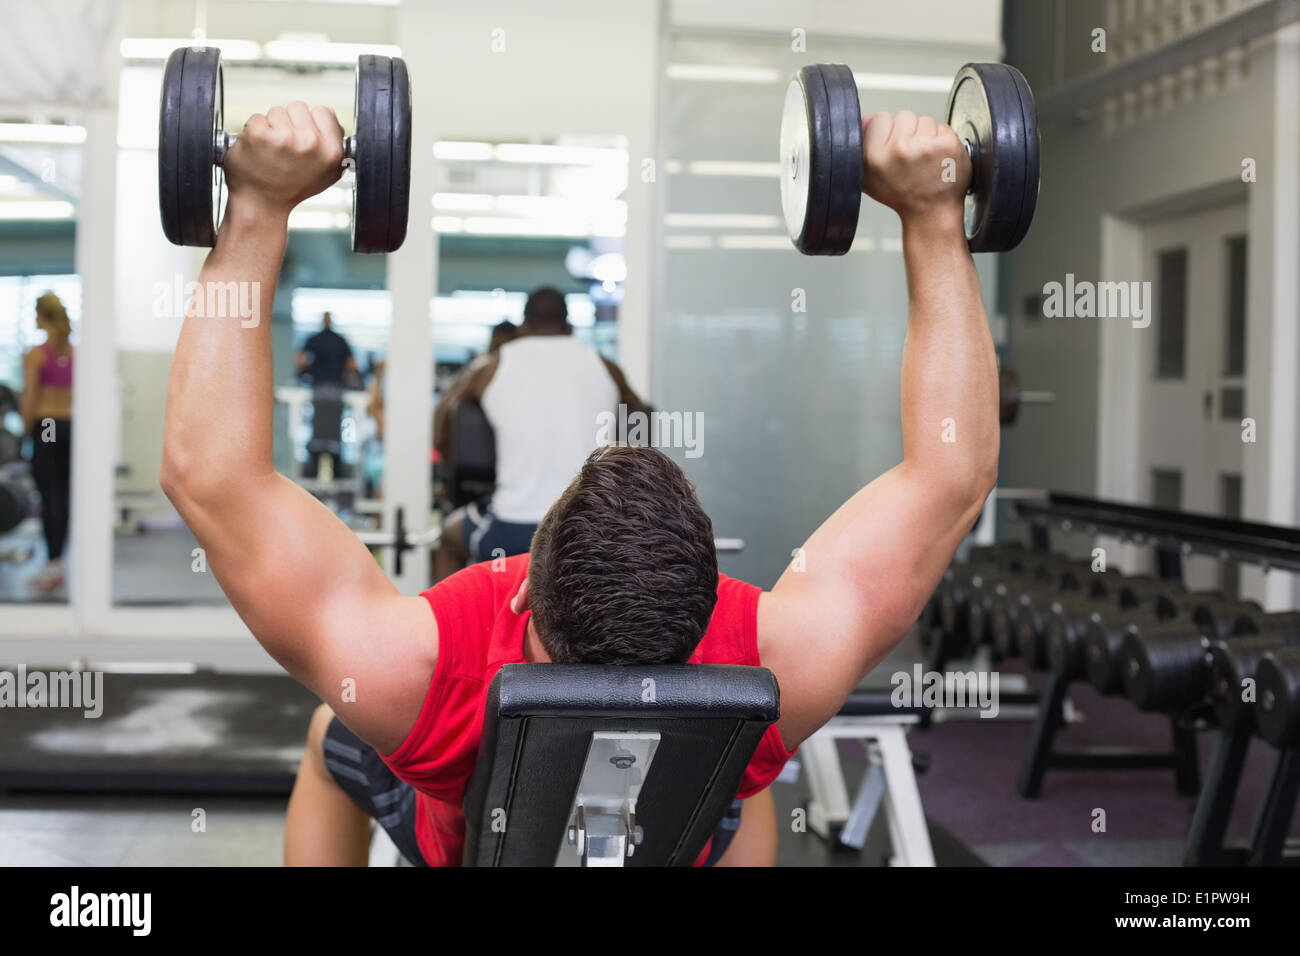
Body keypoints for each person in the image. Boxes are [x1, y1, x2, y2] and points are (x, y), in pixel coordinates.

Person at [159, 101, 997, 866]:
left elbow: (211, 475)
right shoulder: (776, 665)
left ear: (522, 592)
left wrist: (259, 206)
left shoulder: (416, 674)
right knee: (747, 777)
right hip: (678, 832)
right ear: (711, 614)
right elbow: (951, 475)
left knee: (325, 737)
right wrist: (933, 214)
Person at [431, 290, 640, 581]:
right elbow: (642, 420)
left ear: (522, 328)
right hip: (590, 526)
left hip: (512, 528)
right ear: (568, 328)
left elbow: (443, 418)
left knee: (449, 538)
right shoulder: (604, 366)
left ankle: (447, 623)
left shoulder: (492, 366)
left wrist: (455, 480)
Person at [20, 292, 74, 592]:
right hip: (70, 427)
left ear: (41, 316)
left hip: (48, 426)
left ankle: (53, 563)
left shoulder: (36, 355)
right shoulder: (75, 353)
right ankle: (57, 563)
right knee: (63, 497)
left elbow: (29, 399)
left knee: (49, 495)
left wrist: (24, 433)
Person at [294, 311, 356, 385]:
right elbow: (351, 365)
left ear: (323, 321)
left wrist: (306, 370)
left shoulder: (314, 339)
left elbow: (300, 361)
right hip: (335, 382)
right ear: (331, 321)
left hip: (320, 382)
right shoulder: (340, 341)